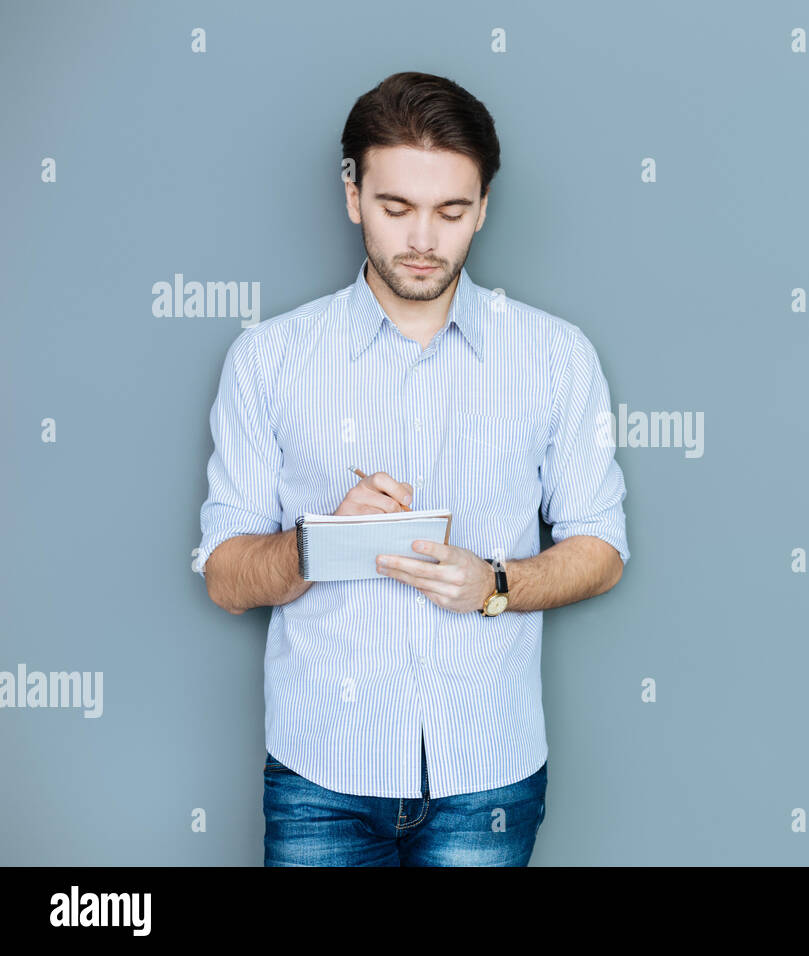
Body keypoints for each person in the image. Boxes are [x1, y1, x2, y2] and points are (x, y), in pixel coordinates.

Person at [195, 71, 630, 866]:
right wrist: (320, 540)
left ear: (484, 207)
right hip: (321, 773)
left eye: (451, 212)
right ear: (353, 196)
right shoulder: (269, 360)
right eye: (396, 208)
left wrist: (496, 584)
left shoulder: (556, 358)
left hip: (488, 772)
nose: (424, 239)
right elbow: (225, 579)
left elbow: (601, 548)